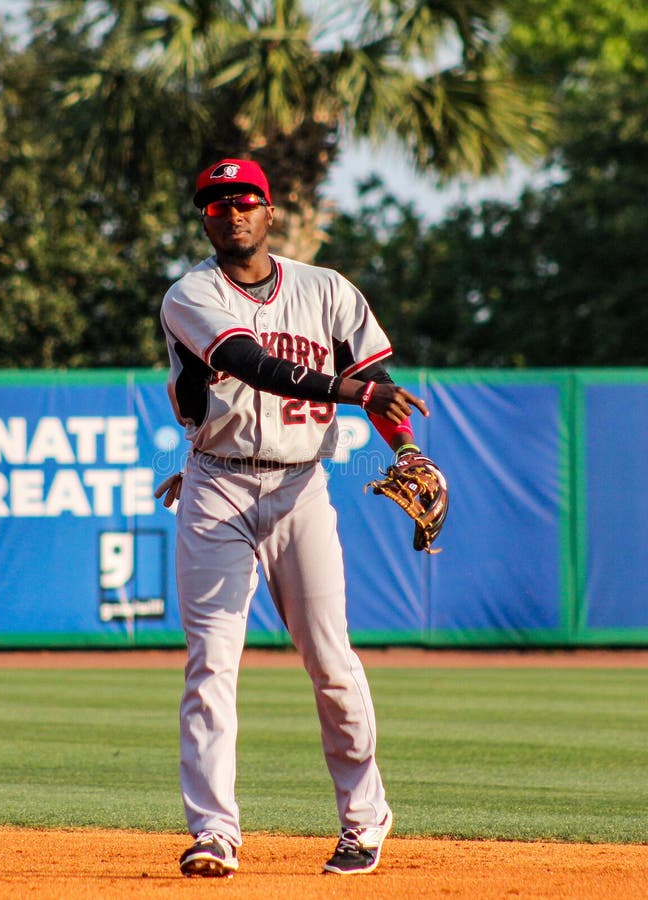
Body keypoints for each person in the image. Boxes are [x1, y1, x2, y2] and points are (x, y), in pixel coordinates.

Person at [156, 157, 434, 878]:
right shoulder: (190, 293)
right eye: (216, 204)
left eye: (245, 200)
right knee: (210, 665)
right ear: (205, 218)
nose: (231, 213)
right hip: (217, 487)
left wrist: (404, 451)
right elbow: (248, 362)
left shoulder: (325, 289)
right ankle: (214, 833)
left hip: (300, 487)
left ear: (270, 210)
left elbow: (378, 387)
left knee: (331, 661)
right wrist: (346, 388)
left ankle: (365, 822)